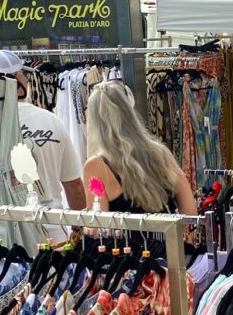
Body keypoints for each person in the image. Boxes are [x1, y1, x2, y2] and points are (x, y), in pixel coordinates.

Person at [0, 49, 85, 243]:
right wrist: (78, 231)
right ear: (18, 79)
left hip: (3, 238)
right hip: (53, 236)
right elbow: (74, 185)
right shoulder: (50, 120)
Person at [81, 79, 197, 222]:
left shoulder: (95, 168)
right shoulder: (162, 154)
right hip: (170, 242)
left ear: (95, 122)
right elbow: (190, 212)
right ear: (130, 111)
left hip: (126, 244)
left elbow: (98, 225)